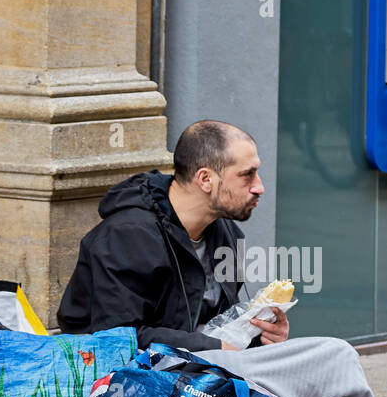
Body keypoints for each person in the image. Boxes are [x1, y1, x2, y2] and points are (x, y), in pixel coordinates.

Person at [56, 120, 289, 351]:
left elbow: (219, 326)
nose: (259, 187)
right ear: (205, 179)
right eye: (247, 175)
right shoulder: (126, 236)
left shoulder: (225, 233)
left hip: (194, 375)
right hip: (112, 379)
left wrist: (259, 337)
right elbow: (118, 338)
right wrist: (214, 348)